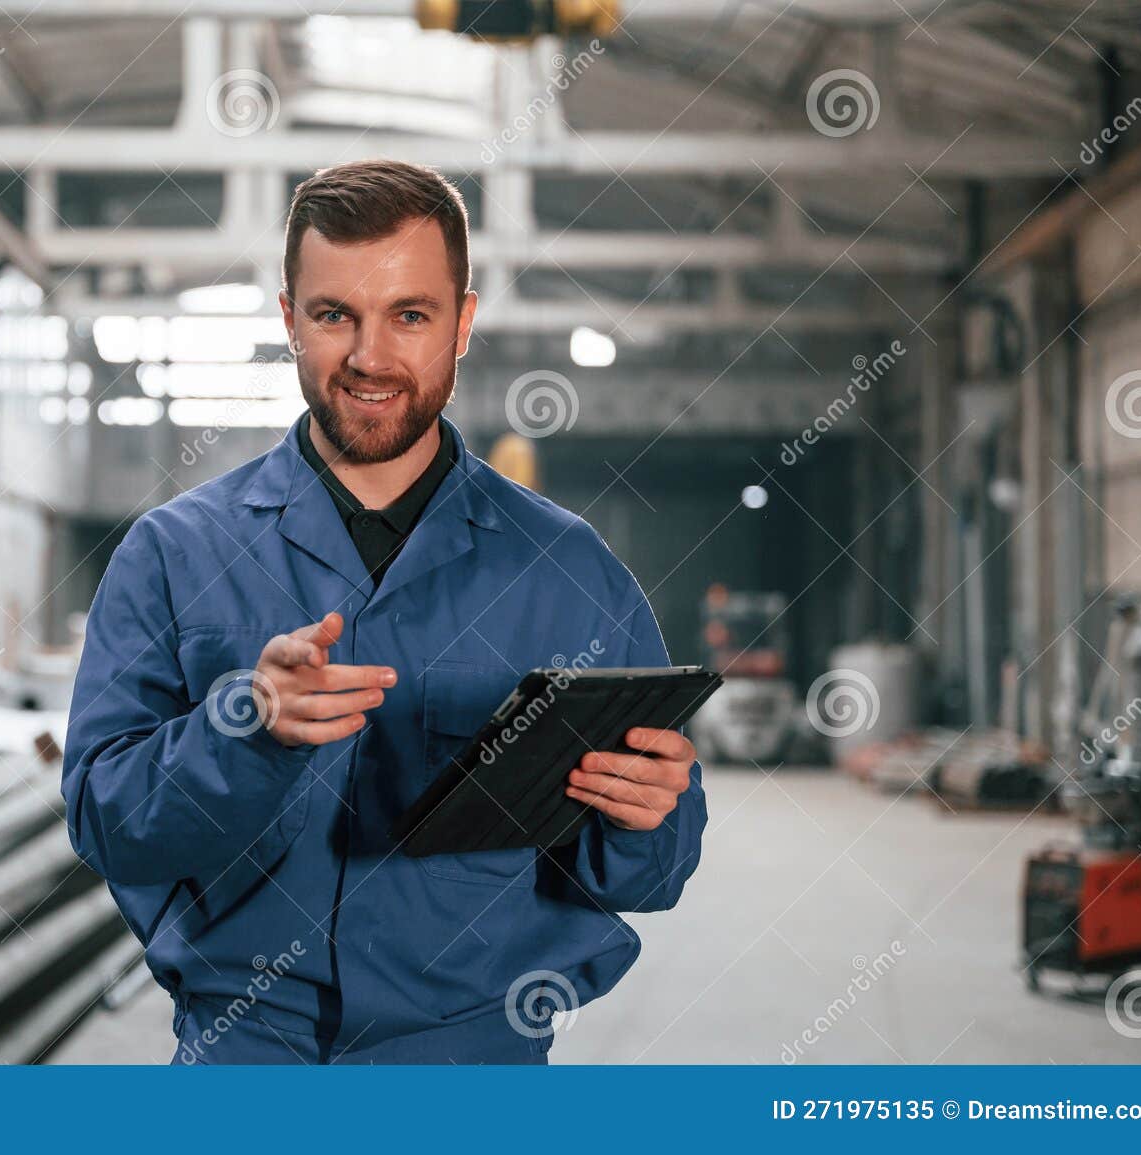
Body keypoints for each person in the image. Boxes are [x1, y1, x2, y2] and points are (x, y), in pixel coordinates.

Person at [62, 159, 706, 1064]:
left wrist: (648, 814)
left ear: (463, 323)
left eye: (410, 314)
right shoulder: (175, 554)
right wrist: (242, 732)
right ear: (290, 319)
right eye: (335, 315)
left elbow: (657, 869)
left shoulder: (567, 570)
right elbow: (103, 820)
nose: (371, 357)